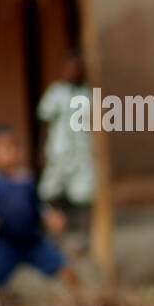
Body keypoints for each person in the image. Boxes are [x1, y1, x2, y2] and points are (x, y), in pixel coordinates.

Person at [0, 125, 79, 298]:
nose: (6, 154)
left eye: (10, 148)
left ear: (18, 151)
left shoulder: (28, 180)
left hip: (34, 242)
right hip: (6, 245)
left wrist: (51, 219)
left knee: (67, 270)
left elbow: (40, 208)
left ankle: (81, 304)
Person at [36, 49, 94, 253]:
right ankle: (56, 238)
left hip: (82, 152)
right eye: (69, 68)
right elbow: (45, 122)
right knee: (50, 194)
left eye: (76, 68)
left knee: (84, 195)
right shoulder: (55, 93)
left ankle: (84, 240)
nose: (72, 72)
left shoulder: (88, 93)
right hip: (59, 151)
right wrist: (41, 150)